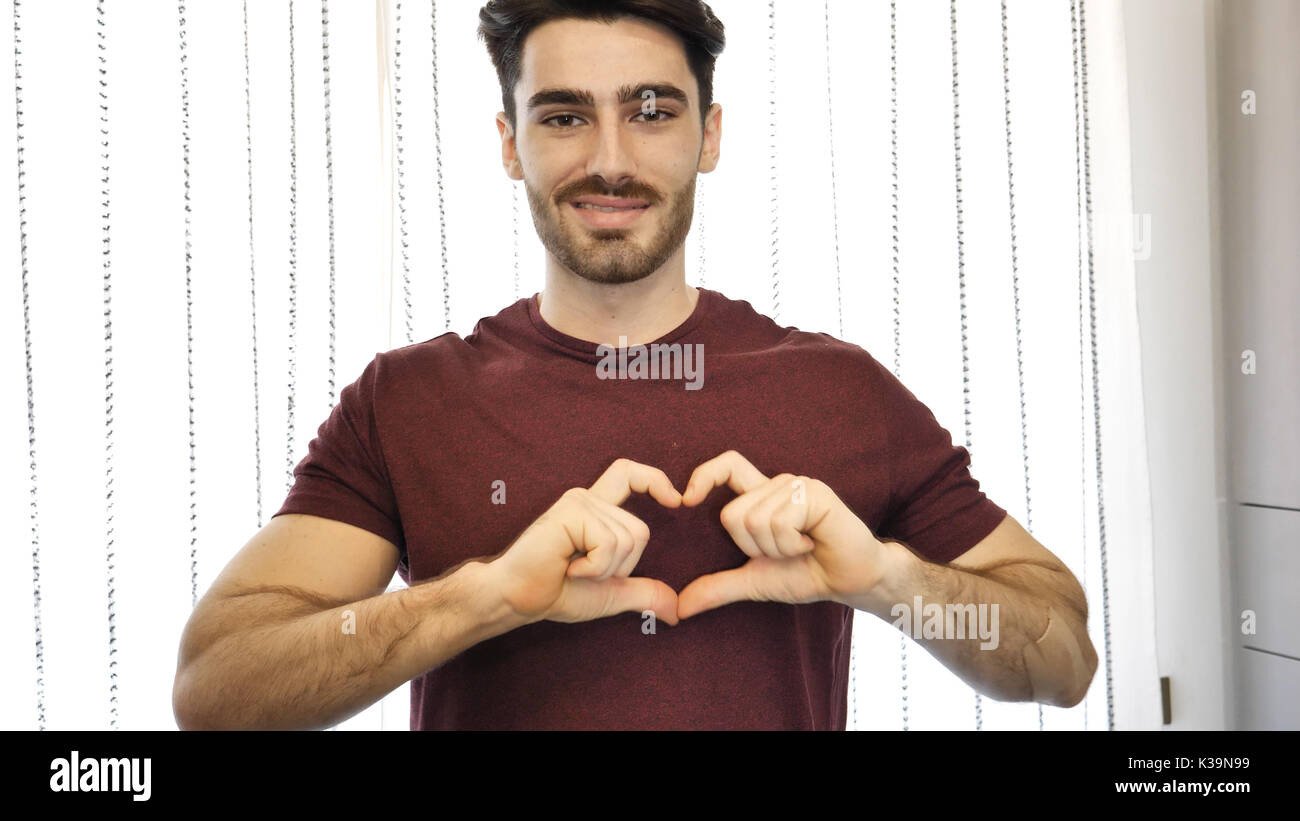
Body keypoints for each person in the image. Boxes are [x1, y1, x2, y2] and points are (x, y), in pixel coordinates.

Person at [172, 0, 1097, 730]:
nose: (610, 161)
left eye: (652, 112)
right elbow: (216, 689)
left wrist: (889, 582)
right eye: (566, 115)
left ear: (709, 135)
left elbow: (1063, 662)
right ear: (510, 144)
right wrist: (485, 596)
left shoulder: (842, 390)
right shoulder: (406, 400)